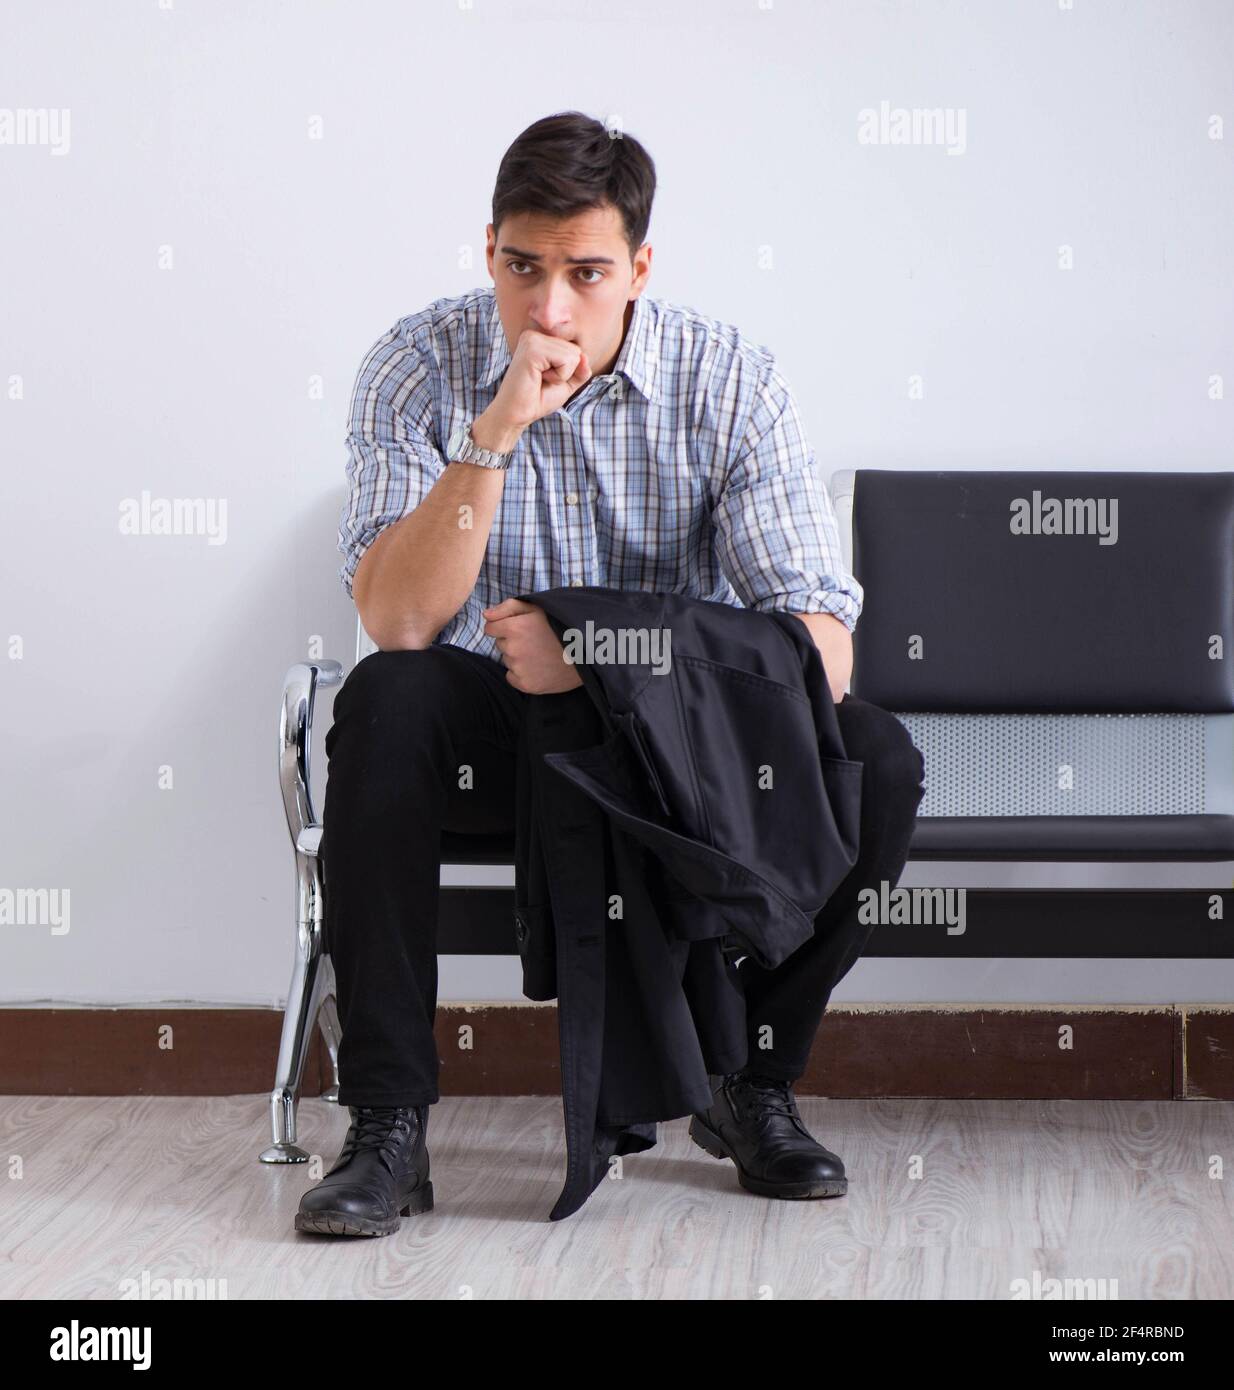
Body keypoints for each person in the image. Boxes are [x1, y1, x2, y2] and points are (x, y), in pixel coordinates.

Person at [296, 110, 925, 1238]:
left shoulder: (728, 377)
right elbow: (397, 617)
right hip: (493, 719)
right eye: (522, 267)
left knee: (875, 757)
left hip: (676, 728)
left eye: (585, 272)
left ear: (638, 267)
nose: (549, 309)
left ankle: (751, 1080)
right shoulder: (414, 364)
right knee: (386, 700)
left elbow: (819, 642)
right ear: (488, 248)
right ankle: (387, 1121)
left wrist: (600, 651)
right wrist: (493, 430)